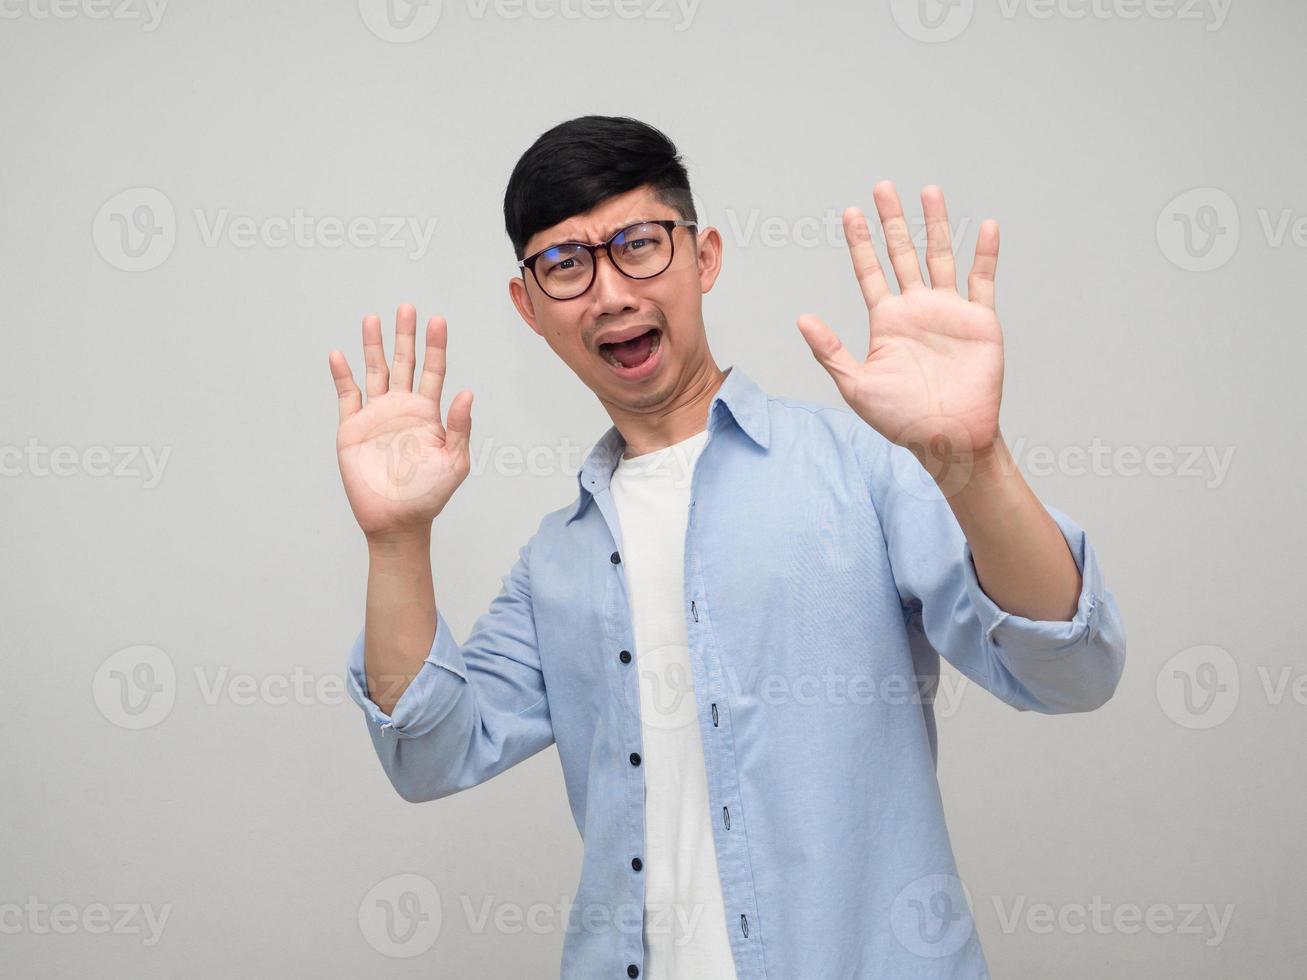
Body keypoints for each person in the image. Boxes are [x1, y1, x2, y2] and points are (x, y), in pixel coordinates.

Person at [328, 115, 1126, 979]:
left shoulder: (858, 467)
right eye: (565, 265)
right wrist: (398, 541)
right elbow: (427, 753)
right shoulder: (553, 562)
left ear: (703, 257)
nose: (609, 294)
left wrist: (974, 466)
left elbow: (1070, 672)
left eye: (639, 244)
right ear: (528, 306)